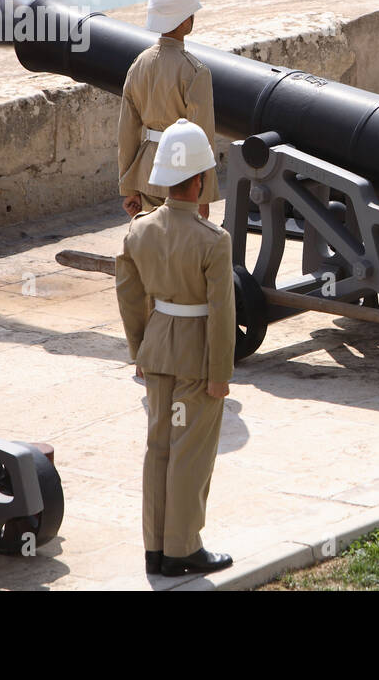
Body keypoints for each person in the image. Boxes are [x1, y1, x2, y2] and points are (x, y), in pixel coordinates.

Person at [115, 119, 235, 577]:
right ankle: (182, 549)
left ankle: (156, 548)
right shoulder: (214, 241)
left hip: (158, 349)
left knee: (159, 448)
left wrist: (139, 351)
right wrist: (220, 372)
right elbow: (222, 313)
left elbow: (129, 296)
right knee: (190, 454)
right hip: (196, 356)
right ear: (201, 179)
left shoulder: (140, 230)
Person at [119, 0, 220, 219]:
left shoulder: (138, 65)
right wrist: (204, 196)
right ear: (184, 21)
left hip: (147, 173)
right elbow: (202, 135)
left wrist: (128, 187)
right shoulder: (195, 71)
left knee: (152, 242)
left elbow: (127, 133)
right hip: (181, 174)